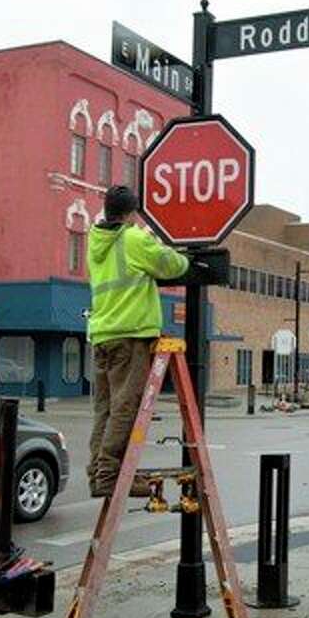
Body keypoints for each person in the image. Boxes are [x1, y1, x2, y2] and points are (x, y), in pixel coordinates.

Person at [86, 185, 188, 498]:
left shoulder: (95, 240)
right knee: (125, 408)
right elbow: (172, 265)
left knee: (105, 410)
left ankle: (98, 474)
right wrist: (186, 260)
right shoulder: (133, 238)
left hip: (102, 334)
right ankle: (111, 476)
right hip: (130, 335)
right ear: (131, 213)